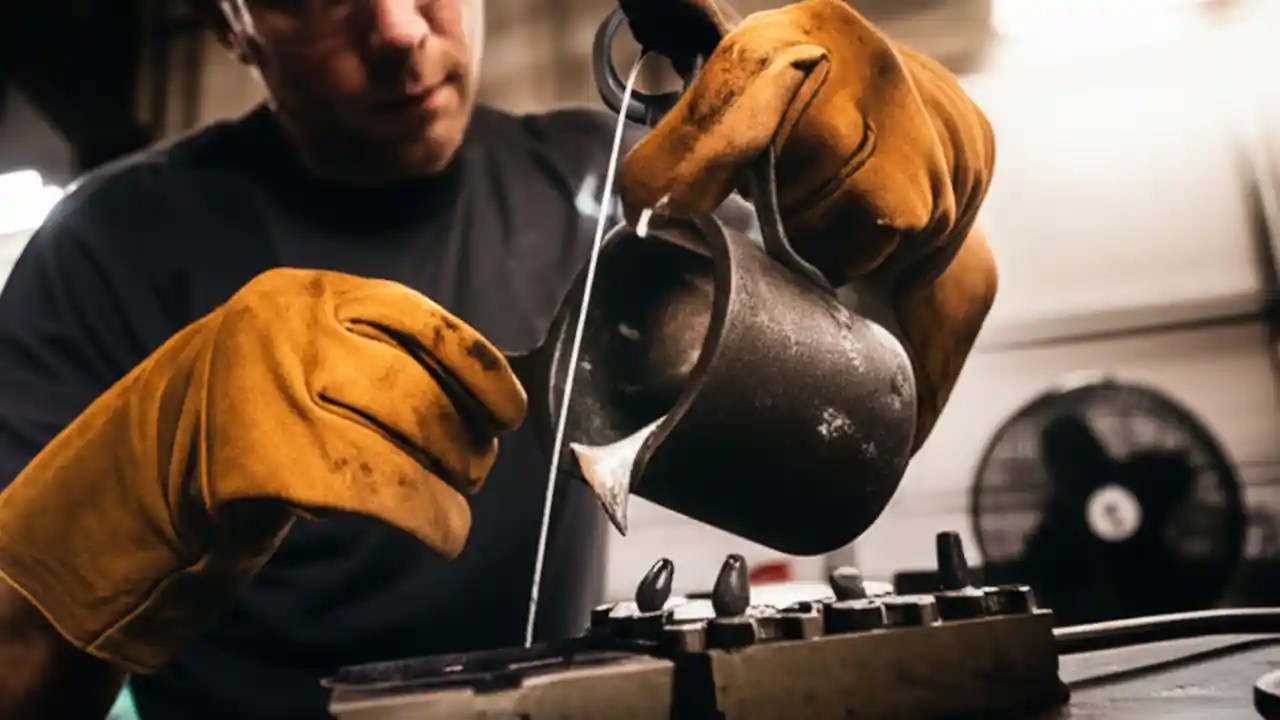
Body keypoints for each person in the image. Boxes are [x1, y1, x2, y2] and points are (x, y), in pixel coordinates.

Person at [0, 0, 998, 717]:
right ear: (231, 25)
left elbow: (856, 426)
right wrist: (138, 489)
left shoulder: (617, 188)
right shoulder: (109, 248)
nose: (398, 28)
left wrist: (921, 248)